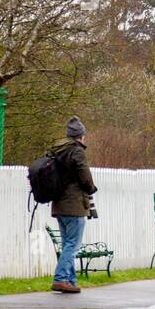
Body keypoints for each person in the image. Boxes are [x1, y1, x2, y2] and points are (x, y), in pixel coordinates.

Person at [50, 116, 98, 293]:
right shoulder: (77, 151)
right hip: (74, 206)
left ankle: (69, 281)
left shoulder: (59, 150)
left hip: (59, 206)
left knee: (67, 244)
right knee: (72, 245)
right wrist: (92, 188)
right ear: (81, 136)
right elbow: (85, 177)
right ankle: (60, 278)